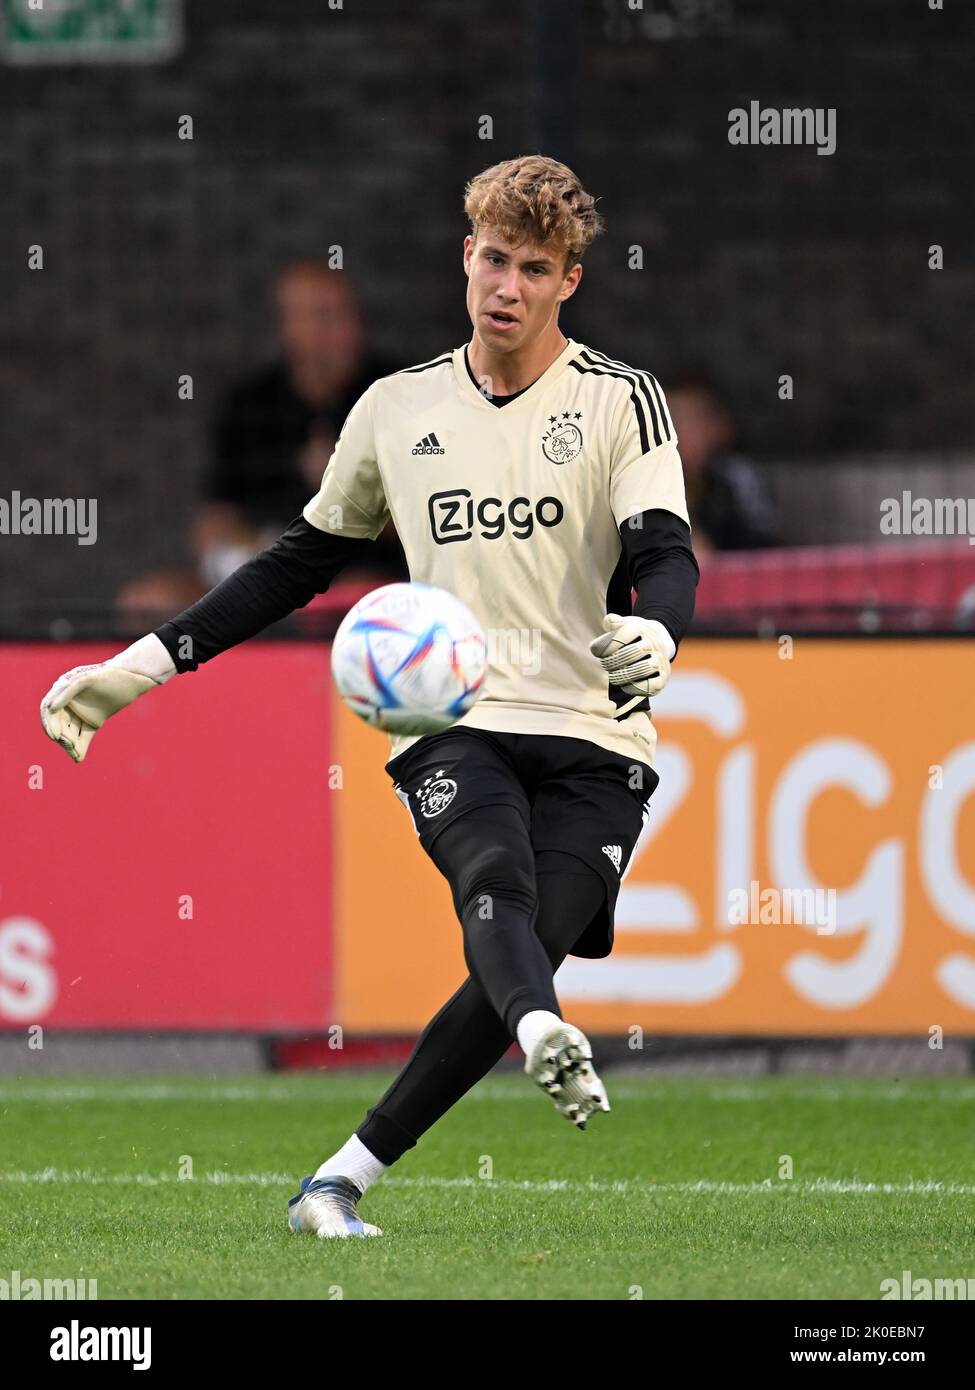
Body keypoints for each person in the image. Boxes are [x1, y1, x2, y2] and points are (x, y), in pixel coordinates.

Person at [40, 155, 699, 1240]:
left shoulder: (622, 399)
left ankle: (336, 1180)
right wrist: (140, 667)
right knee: (496, 886)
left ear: (569, 281)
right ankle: (540, 1024)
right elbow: (295, 563)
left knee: (523, 945)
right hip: (452, 719)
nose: (507, 285)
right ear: (466, 256)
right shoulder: (395, 409)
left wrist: (658, 627)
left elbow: (664, 551)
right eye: (493, 257)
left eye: (535, 268)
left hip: (594, 731)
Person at [116, 263, 405, 625]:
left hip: (360, 576)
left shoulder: (397, 393)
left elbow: (428, 521)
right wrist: (237, 550)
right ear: (289, 328)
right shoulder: (250, 405)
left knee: (341, 602)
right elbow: (214, 523)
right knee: (148, 601)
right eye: (323, 317)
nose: (344, 331)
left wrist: (347, 486)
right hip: (264, 574)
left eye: (348, 315)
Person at [666, 371, 778, 553]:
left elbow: (760, 546)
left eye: (690, 420)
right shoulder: (649, 478)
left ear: (721, 426)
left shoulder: (737, 478)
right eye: (670, 419)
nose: (675, 431)